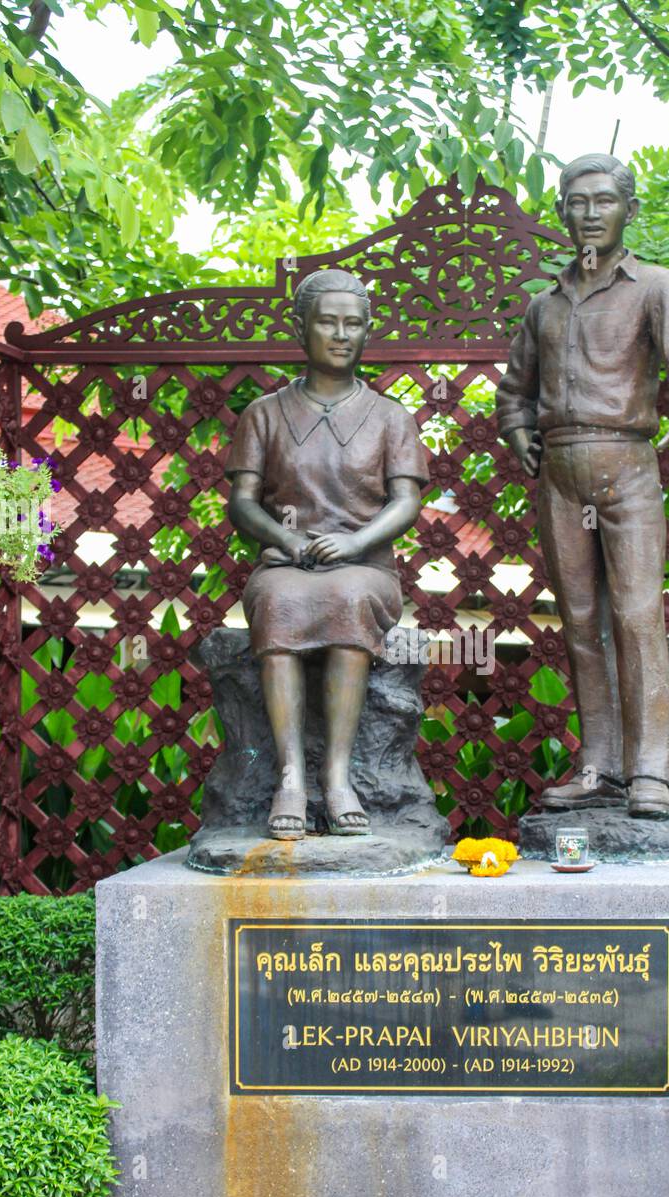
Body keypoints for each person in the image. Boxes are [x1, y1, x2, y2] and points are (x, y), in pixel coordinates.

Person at [496, 152, 669, 820]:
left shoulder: (655, 286)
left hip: (626, 467)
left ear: (628, 209)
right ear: (560, 211)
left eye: (602, 201)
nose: (588, 213)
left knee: (637, 614)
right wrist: (517, 432)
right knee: (580, 622)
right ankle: (598, 766)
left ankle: (649, 771)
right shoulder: (544, 305)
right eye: (576, 201)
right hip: (559, 476)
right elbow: (515, 389)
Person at [226, 269, 429, 839]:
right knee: (279, 603)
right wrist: (288, 541)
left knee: (347, 596)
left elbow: (405, 501)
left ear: (367, 332)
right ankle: (291, 777)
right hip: (285, 567)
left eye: (354, 324)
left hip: (365, 570)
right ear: (301, 329)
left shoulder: (392, 417)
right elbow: (242, 503)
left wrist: (357, 542)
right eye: (327, 322)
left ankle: (338, 777)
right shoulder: (264, 414)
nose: (341, 334)